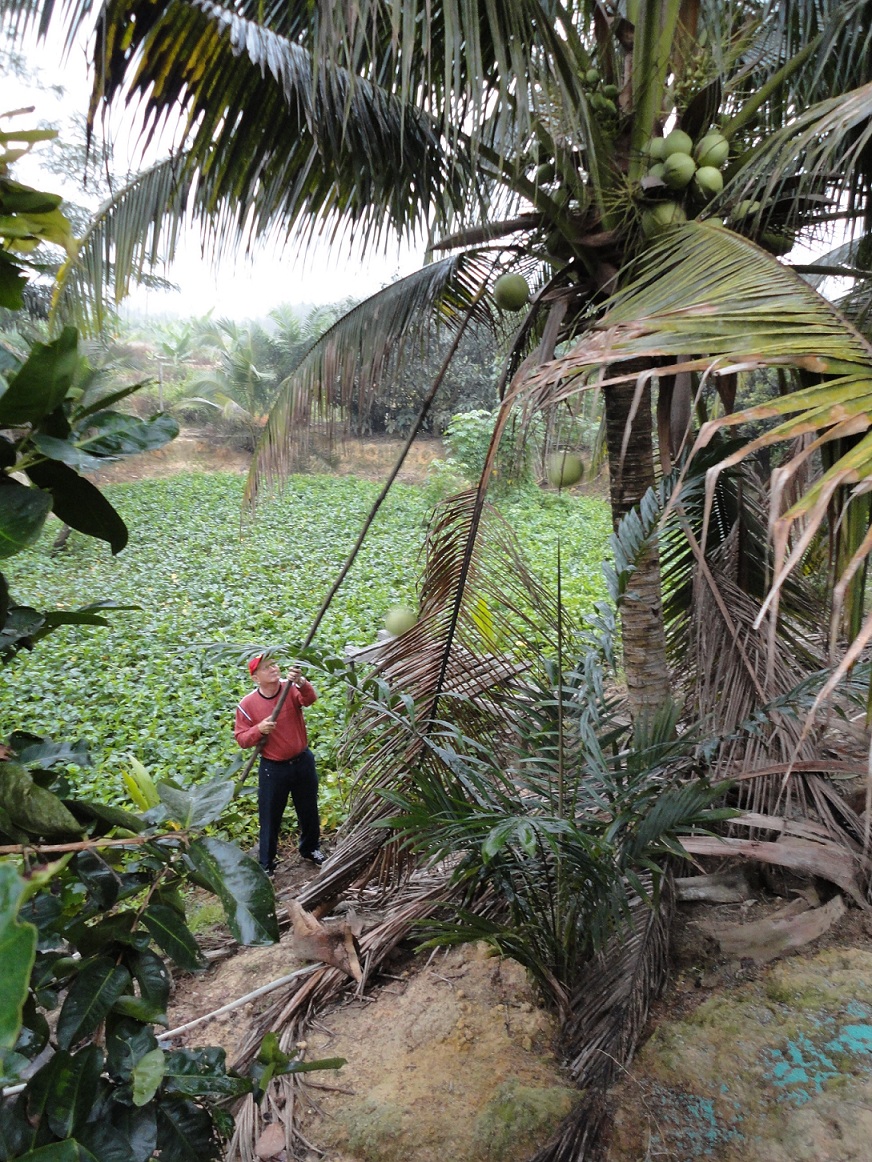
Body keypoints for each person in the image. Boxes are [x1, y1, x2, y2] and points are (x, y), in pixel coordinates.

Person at [234, 654, 324, 875]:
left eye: (274, 664)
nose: (273, 669)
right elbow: (242, 739)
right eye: (266, 668)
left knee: (309, 809)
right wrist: (259, 730)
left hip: (302, 761)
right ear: (256, 678)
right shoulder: (247, 705)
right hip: (273, 768)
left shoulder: (290, 688)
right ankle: (266, 863)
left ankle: (310, 848)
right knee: (270, 815)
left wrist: (301, 682)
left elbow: (310, 699)